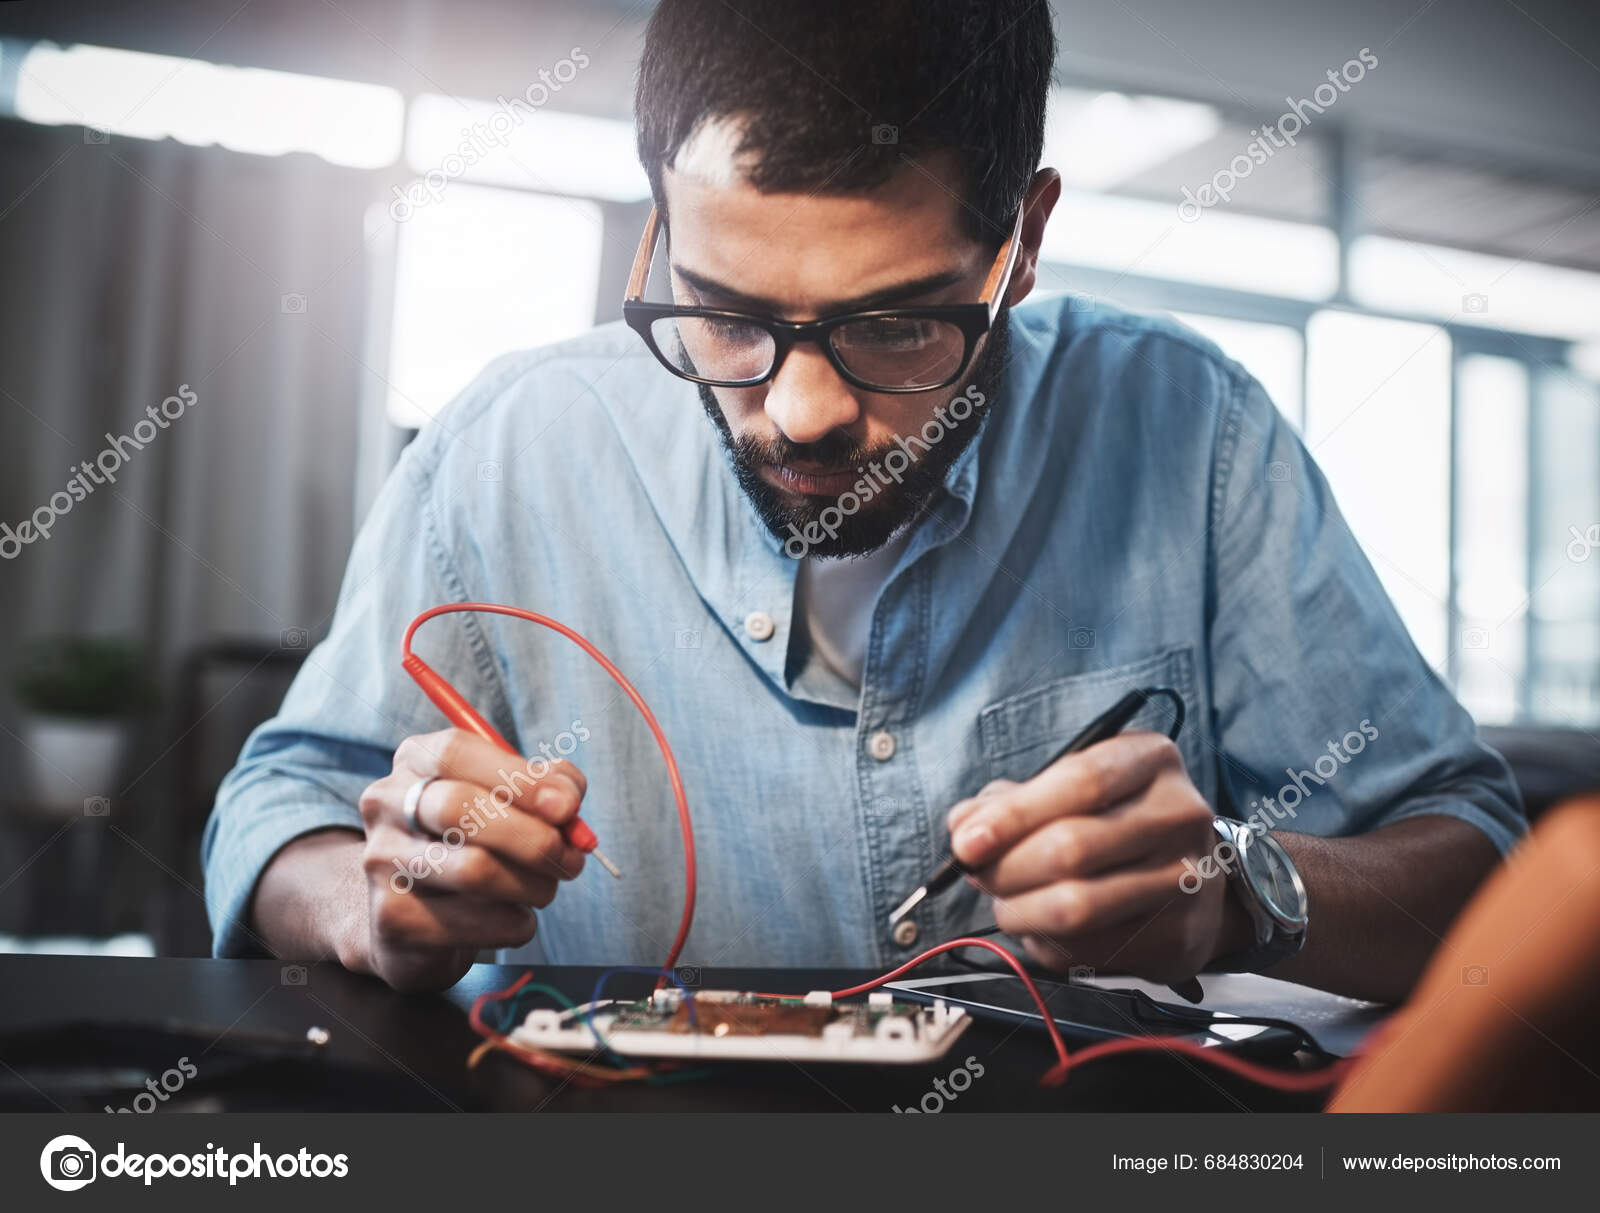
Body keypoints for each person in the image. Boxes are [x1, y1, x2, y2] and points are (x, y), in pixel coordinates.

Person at [203, 0, 1522, 997]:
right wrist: (370, 903)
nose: (802, 412)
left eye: (896, 328)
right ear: (657, 229)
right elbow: (280, 810)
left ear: (1025, 239)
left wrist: (1241, 889)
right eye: (723, 318)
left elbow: (1474, 863)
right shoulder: (512, 446)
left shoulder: (1193, 431)